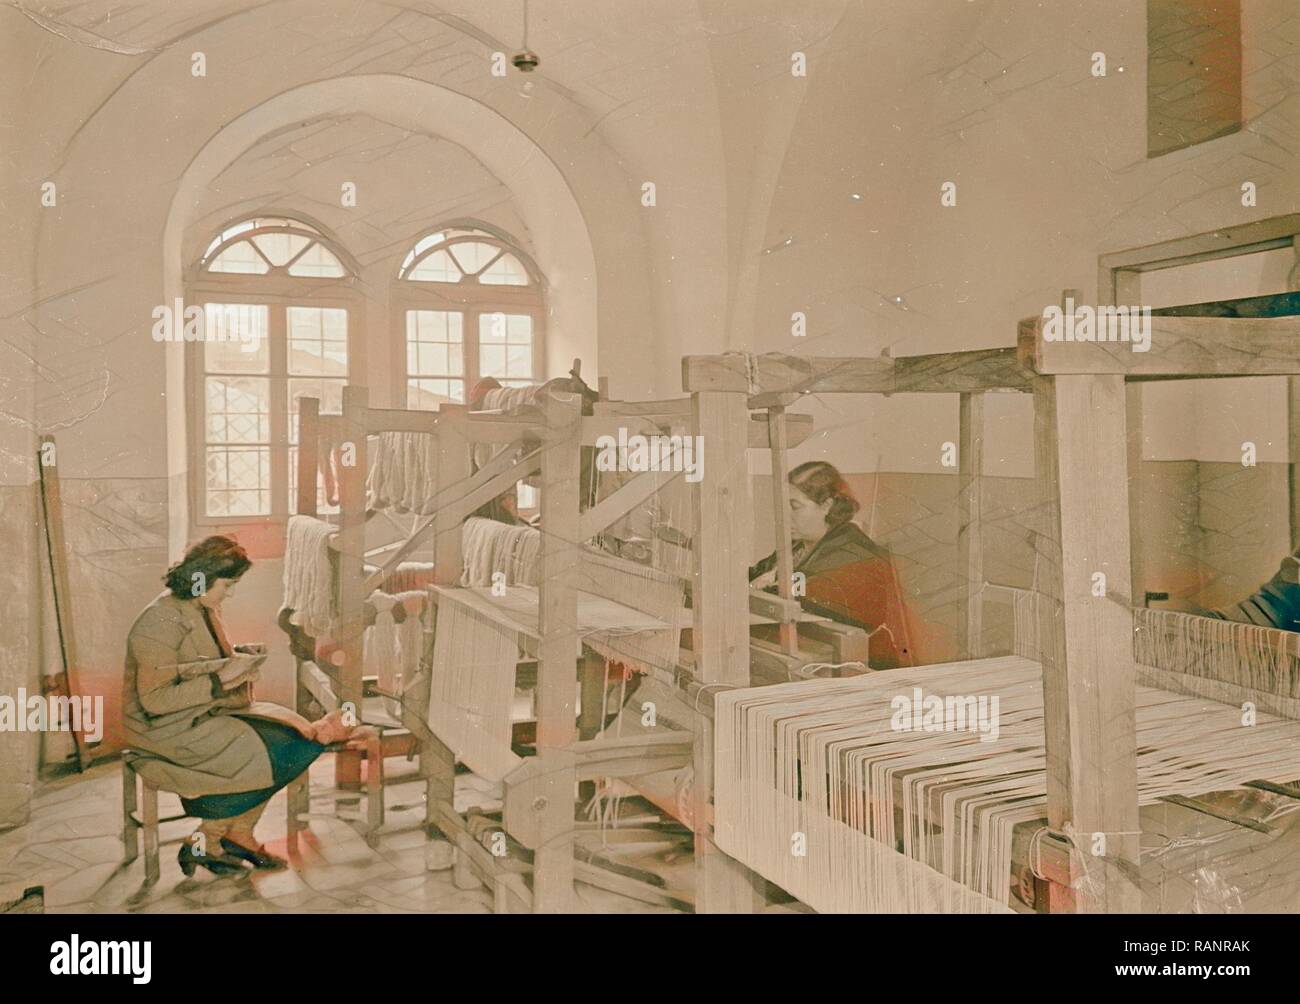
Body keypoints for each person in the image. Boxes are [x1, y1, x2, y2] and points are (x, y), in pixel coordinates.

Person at [123, 536, 360, 877]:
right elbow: (155, 700)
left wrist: (238, 661)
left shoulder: (198, 607)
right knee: (276, 749)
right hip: (162, 730)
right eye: (228, 585)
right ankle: (216, 838)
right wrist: (221, 680)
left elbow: (197, 663)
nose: (230, 593)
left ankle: (230, 836)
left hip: (198, 715)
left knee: (291, 740)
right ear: (202, 577)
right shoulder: (158, 622)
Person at [749, 461, 923, 669]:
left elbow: (804, 596)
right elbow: (755, 575)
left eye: (795, 506)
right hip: (810, 655)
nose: (785, 516)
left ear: (827, 506)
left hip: (860, 666)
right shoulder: (796, 548)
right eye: (783, 506)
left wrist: (763, 587)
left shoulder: (853, 552)